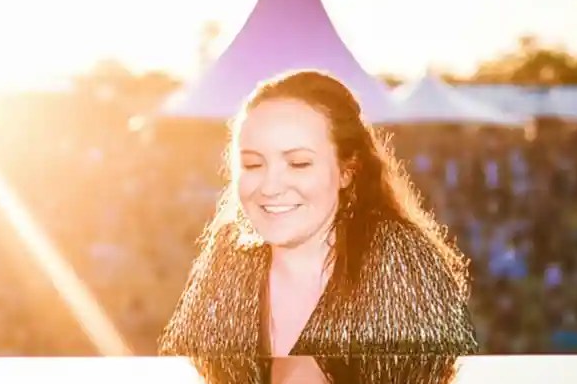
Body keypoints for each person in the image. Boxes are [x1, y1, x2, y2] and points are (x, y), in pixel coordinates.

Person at [159, 70, 477, 357]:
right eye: (253, 164)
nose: (270, 186)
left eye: (299, 163)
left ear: (347, 171)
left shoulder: (401, 263)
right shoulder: (227, 257)